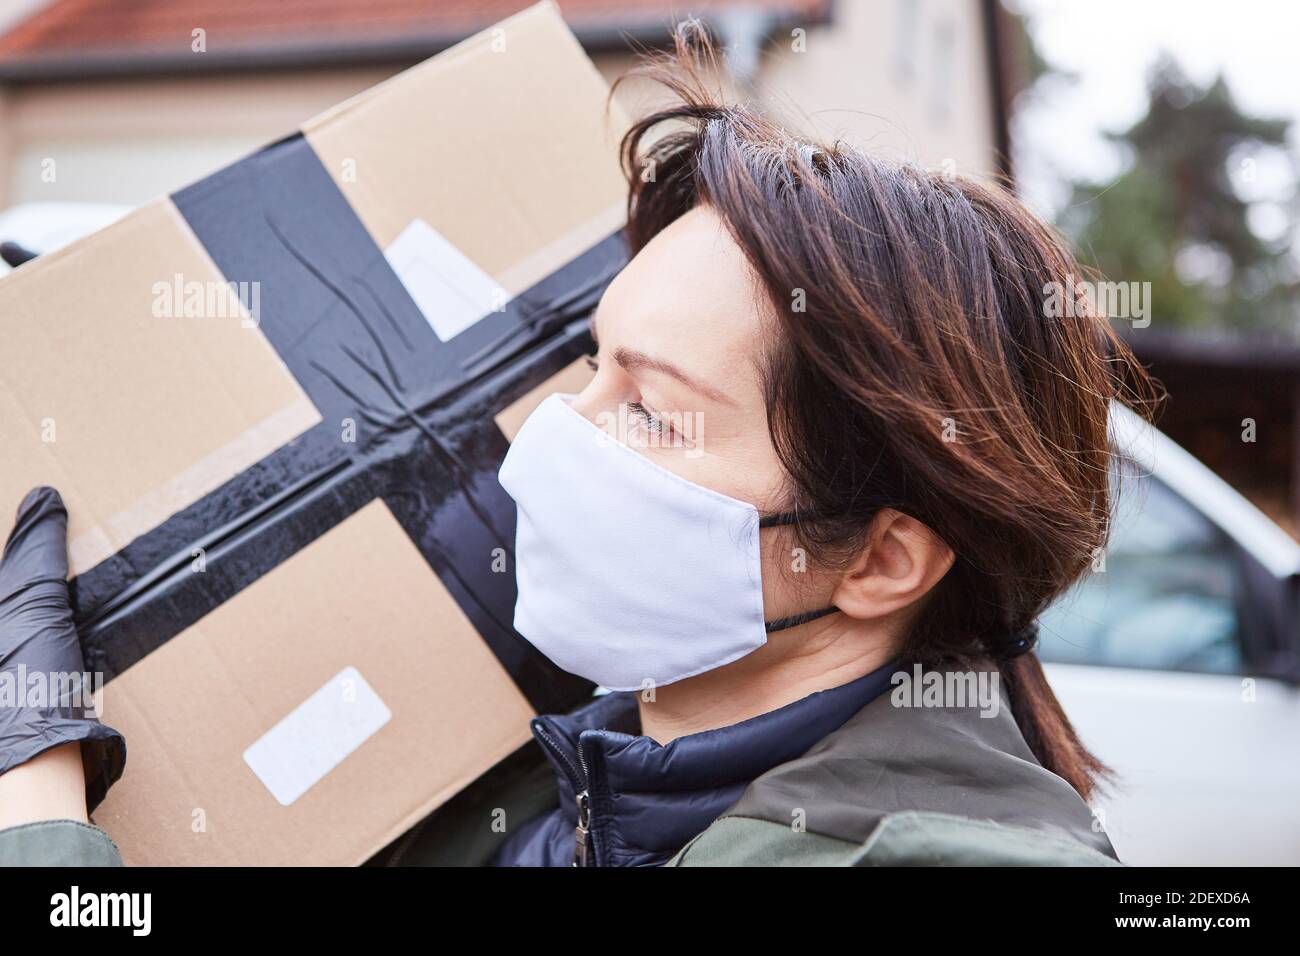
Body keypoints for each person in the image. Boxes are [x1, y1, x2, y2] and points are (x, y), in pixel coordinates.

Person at [0, 24, 1148, 867]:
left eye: (652, 409)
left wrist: (38, 813)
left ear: (883, 558)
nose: (547, 443)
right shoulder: (609, 767)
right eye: (586, 366)